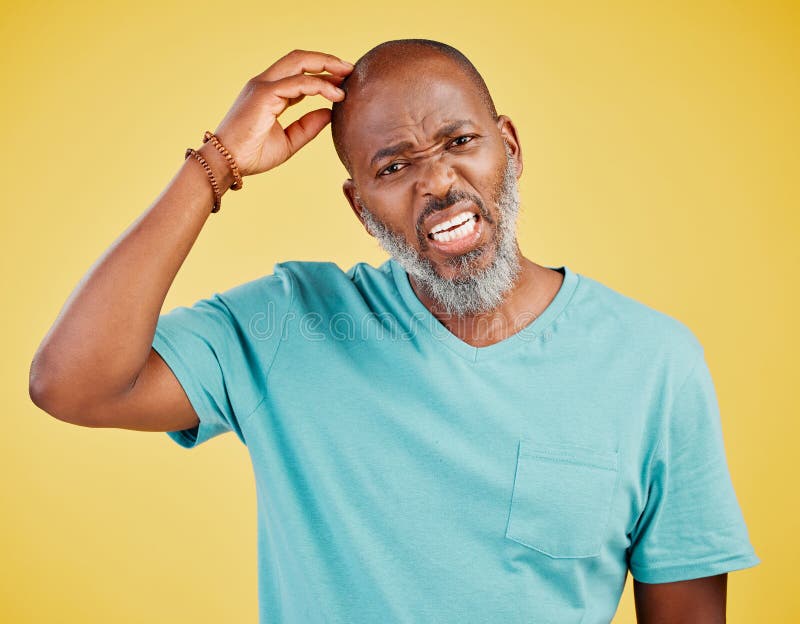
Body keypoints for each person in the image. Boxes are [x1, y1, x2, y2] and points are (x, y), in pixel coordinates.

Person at [29, 39, 760, 623]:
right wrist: (214, 163)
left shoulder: (653, 361)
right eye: (393, 165)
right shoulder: (288, 323)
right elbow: (70, 384)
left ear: (508, 144)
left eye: (460, 140)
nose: (438, 181)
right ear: (361, 206)